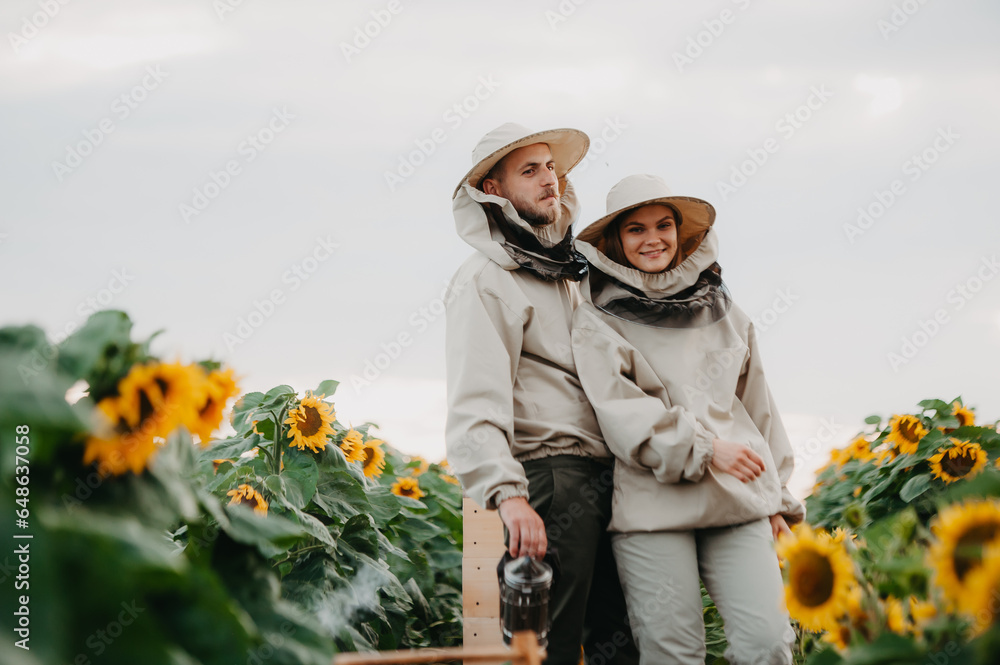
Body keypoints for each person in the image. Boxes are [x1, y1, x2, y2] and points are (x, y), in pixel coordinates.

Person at [570, 174, 805, 665]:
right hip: (654, 506)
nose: (652, 239)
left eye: (663, 226)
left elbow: (759, 406)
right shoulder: (596, 317)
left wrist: (779, 499)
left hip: (738, 500)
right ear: (615, 240)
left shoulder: (727, 311)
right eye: (636, 229)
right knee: (673, 654)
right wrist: (705, 448)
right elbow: (620, 410)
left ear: (682, 233)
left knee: (768, 643)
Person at [445, 123, 639, 665]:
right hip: (550, 479)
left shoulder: (572, 273)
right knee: (544, 652)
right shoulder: (485, 281)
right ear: (494, 190)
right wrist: (509, 497)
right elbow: (473, 402)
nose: (549, 179)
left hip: (612, 477)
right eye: (529, 171)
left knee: (621, 648)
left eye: (551, 167)